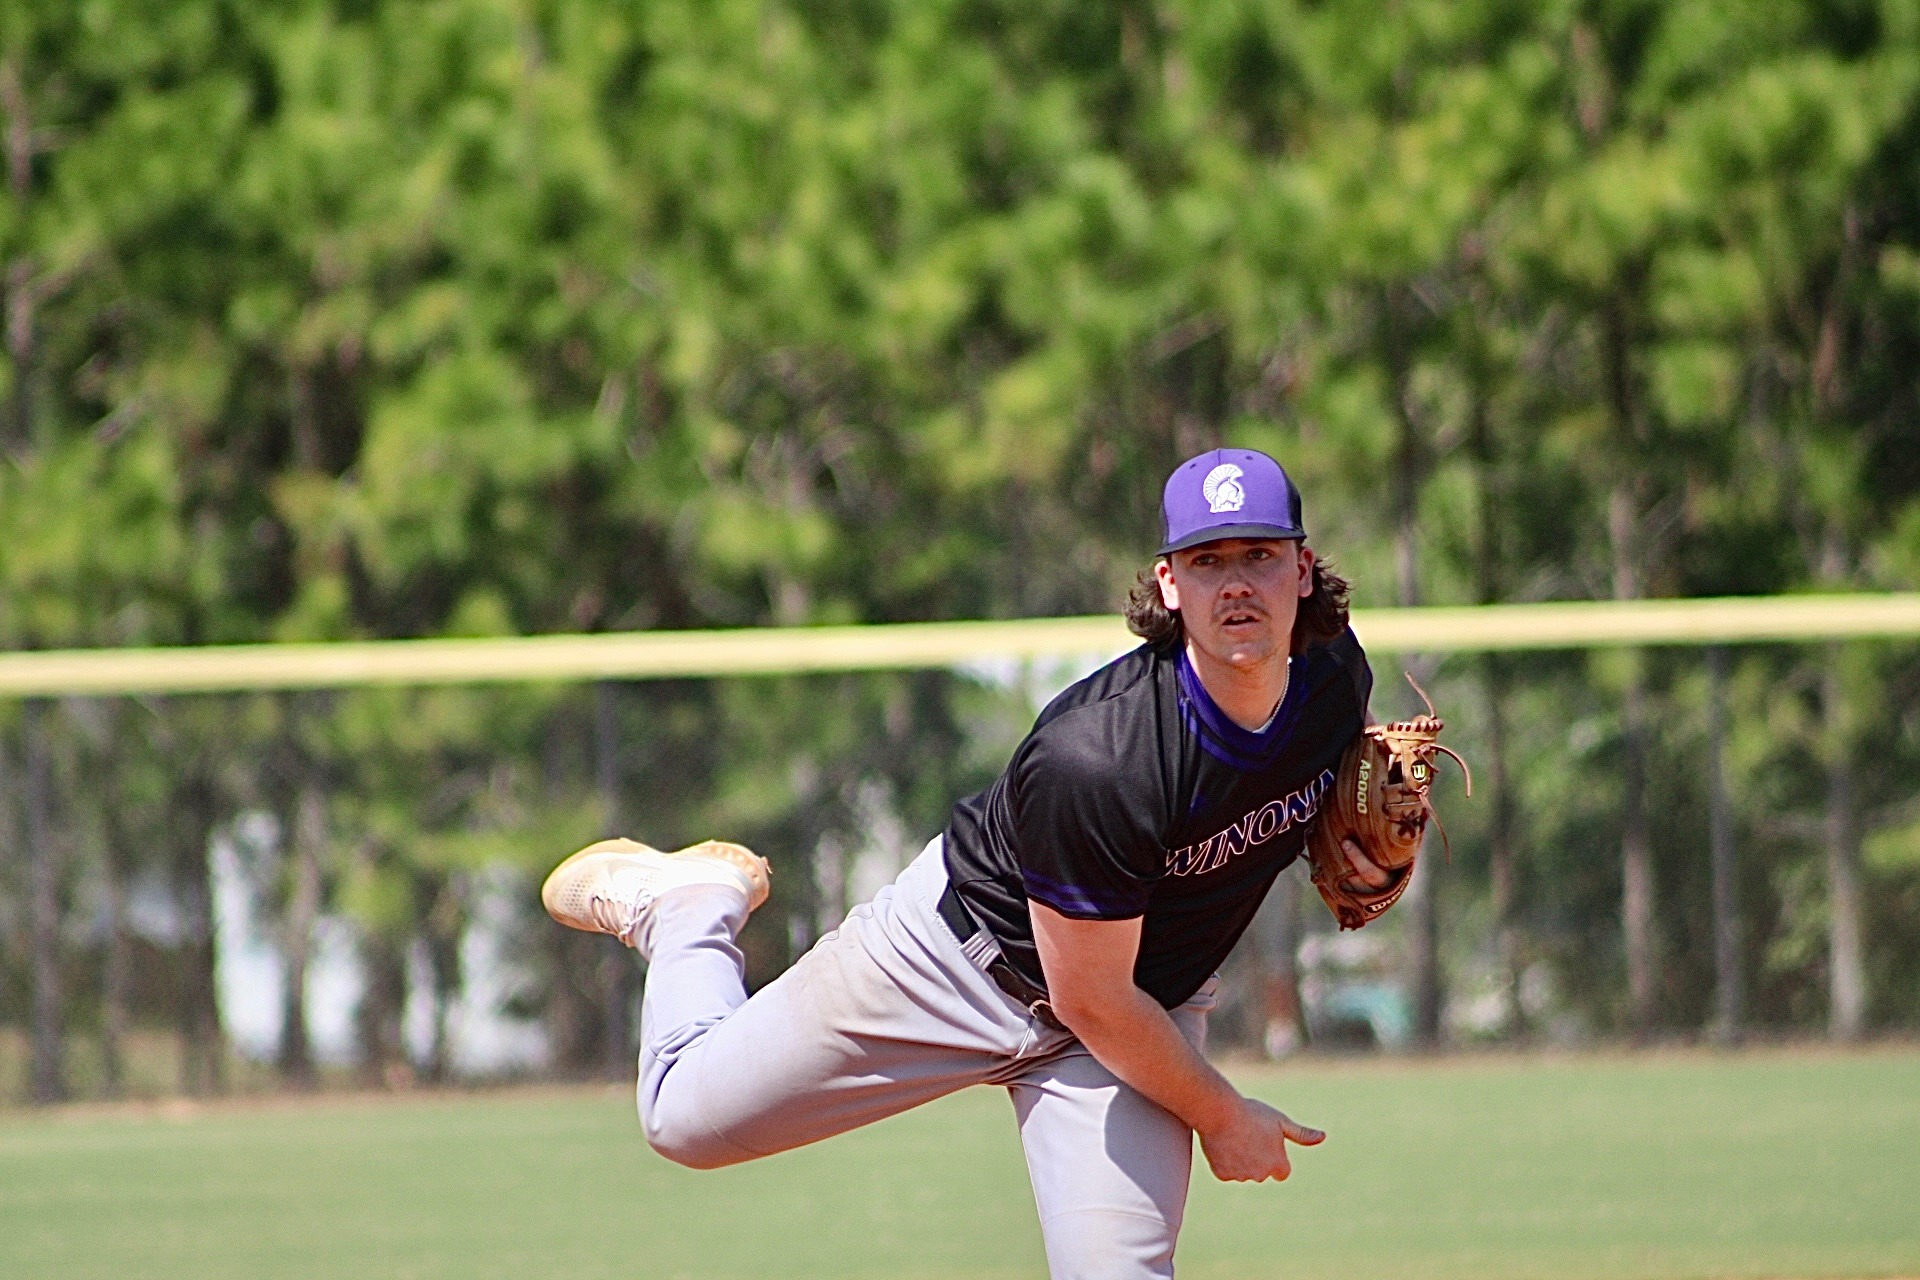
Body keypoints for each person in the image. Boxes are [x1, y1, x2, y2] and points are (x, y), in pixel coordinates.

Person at [541, 447, 1389, 1279]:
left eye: (1260, 555)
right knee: (682, 1121)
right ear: (1170, 584)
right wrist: (1223, 1115)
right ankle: (689, 907)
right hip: (950, 967)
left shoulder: (1334, 680)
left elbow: (1291, 801)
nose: (1237, 582)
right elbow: (1088, 998)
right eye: (1208, 561)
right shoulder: (1100, 758)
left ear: (1304, 570)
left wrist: (1358, 854)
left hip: (1133, 1015)